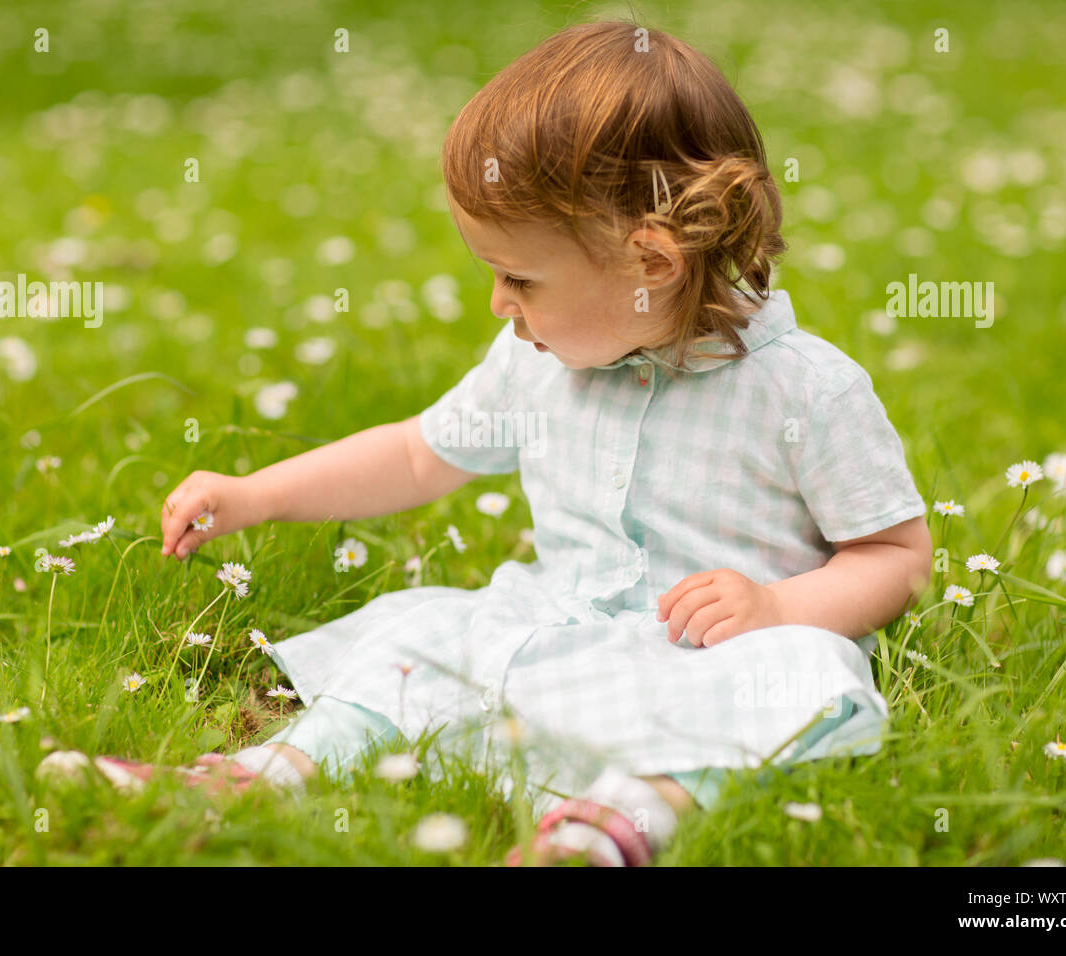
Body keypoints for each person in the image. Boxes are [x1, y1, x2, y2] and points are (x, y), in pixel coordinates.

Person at [98, 19, 932, 866]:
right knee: (422, 635)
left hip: (709, 662)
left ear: (653, 263)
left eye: (520, 277)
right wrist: (257, 495)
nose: (500, 304)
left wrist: (780, 609)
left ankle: (623, 821)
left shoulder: (805, 391)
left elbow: (896, 555)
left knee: (808, 679)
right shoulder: (534, 362)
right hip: (552, 636)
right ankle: (265, 772)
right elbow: (420, 455)